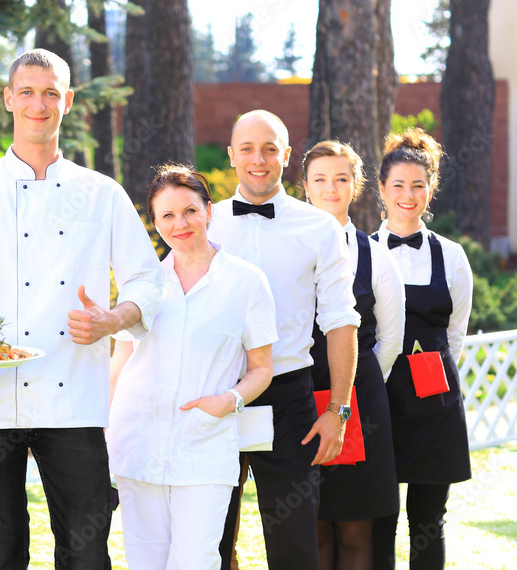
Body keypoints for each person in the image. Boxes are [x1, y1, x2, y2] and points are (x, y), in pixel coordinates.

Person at [0, 48, 164, 568]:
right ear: (9, 98)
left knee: (85, 551)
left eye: (52, 92)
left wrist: (114, 318)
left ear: (68, 101)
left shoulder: (101, 193)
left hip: (74, 398)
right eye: (28, 92)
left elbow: (148, 281)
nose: (40, 103)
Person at [208, 110, 361, 570]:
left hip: (289, 397)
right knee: (210, 540)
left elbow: (341, 322)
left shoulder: (320, 229)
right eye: (249, 149)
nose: (259, 159)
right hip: (214, 391)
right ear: (232, 155)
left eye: (271, 148)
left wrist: (338, 410)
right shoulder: (205, 223)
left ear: (287, 156)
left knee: (295, 544)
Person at [107, 164, 276, 569]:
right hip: (138, 442)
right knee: (145, 561)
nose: (179, 224)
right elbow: (121, 361)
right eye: (166, 215)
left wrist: (228, 400)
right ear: (154, 222)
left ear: (209, 211)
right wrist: (106, 433)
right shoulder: (143, 284)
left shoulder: (247, 282)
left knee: (196, 560)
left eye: (189, 211)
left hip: (205, 444)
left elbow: (261, 368)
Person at [371, 128, 473, 570]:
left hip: (436, 405)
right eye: (398, 185)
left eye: (418, 185)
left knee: (429, 518)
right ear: (381, 189)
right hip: (380, 402)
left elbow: (455, 335)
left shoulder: (452, 256)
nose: (408, 195)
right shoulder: (362, 251)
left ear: (430, 191)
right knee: (379, 516)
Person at [302, 140, 405, 570]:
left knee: (357, 527)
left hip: (359, 404)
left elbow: (393, 340)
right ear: (304, 186)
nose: (330, 188)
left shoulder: (375, 255)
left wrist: (355, 388)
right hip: (299, 399)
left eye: (341, 179)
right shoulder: (287, 248)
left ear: (356, 186)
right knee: (314, 525)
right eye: (320, 179)